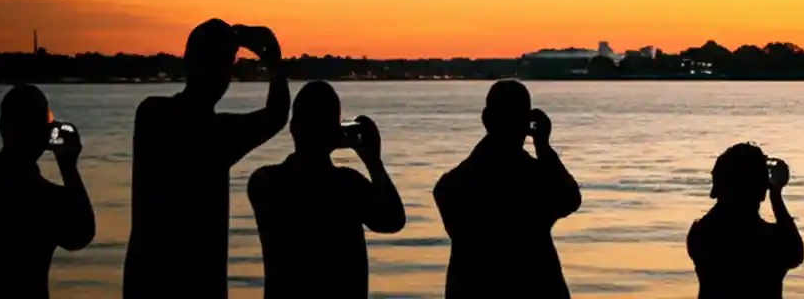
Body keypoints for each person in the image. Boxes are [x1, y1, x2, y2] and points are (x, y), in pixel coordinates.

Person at [123, 19, 290, 299]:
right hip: (200, 285)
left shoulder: (150, 115)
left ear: (187, 62)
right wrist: (273, 61)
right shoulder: (218, 135)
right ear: (225, 74)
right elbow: (277, 114)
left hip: (144, 281)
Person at [249, 81, 406, 298]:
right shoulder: (348, 185)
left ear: (293, 128)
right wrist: (373, 161)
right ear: (335, 132)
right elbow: (393, 220)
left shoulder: (264, 182)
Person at [433, 79, 581, 299]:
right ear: (527, 123)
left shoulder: (451, 185)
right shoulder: (535, 180)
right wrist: (543, 146)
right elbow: (570, 198)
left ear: (486, 119)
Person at [0, 84, 95, 298]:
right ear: (44, 135)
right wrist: (68, 165)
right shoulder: (46, 198)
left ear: (1, 127)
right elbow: (81, 235)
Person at [687, 143, 804, 299]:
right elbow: (795, 255)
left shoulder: (702, 234)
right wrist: (776, 195)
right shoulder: (771, 241)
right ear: (762, 190)